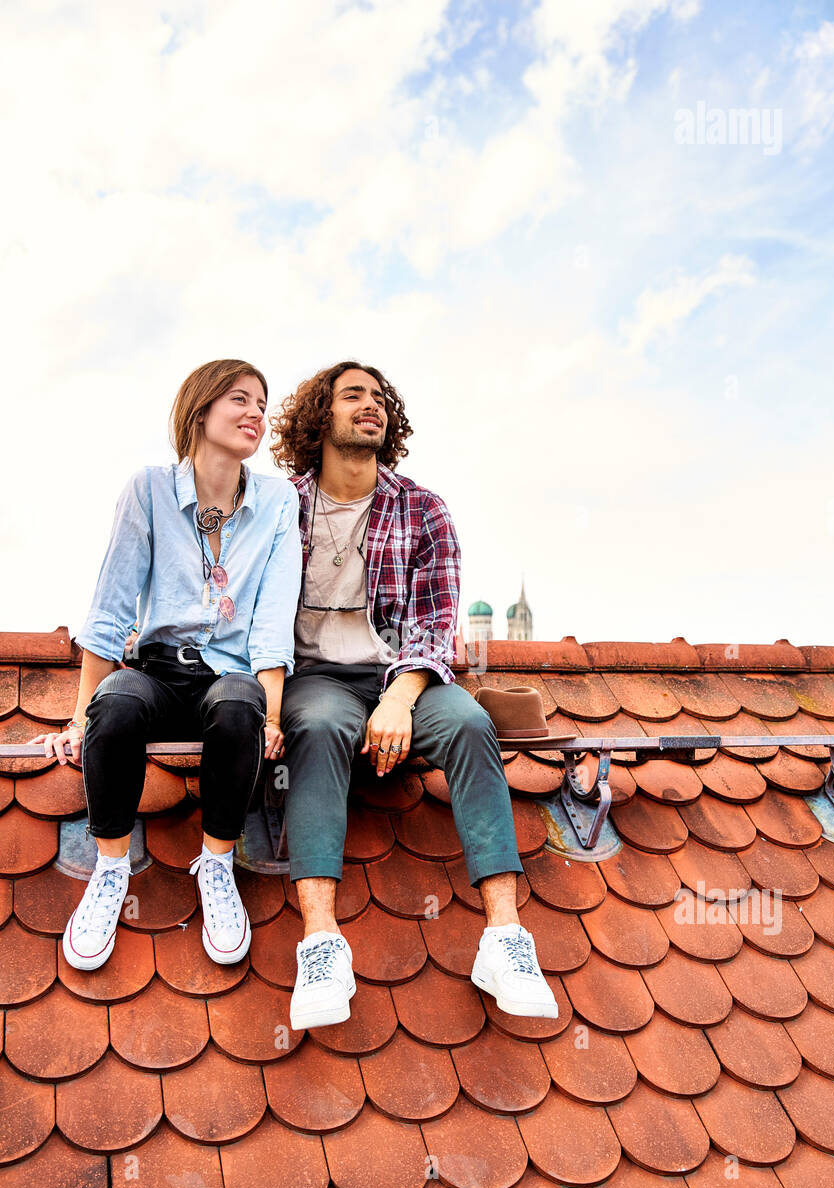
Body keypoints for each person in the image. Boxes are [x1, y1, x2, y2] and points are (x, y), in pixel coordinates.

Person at [269, 360, 557, 1029]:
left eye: (379, 398)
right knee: (314, 730)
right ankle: (320, 943)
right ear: (321, 417)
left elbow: (434, 625)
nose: (371, 406)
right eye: (352, 396)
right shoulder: (280, 507)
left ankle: (505, 940)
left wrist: (399, 698)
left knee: (467, 725)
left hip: (403, 676)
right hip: (315, 679)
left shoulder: (422, 509)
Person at [32, 359, 301, 971]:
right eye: (240, 398)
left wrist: (275, 715)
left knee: (239, 709)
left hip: (228, 674)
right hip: (156, 669)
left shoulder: (278, 502)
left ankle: (217, 862)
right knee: (118, 705)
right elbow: (109, 608)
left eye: (263, 401)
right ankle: (109, 869)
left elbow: (271, 621)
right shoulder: (148, 490)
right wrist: (78, 720)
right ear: (200, 410)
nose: (257, 412)